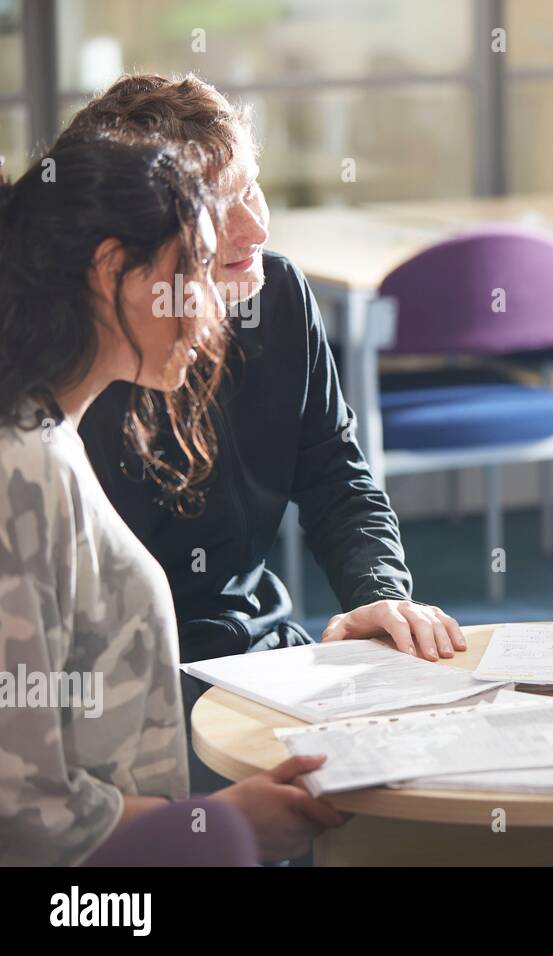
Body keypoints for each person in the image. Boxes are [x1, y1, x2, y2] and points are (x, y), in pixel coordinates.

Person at [0, 136, 344, 865]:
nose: (213, 314)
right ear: (112, 271)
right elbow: (20, 811)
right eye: (192, 274)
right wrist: (217, 826)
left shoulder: (48, 436)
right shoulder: (21, 471)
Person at [66, 74, 466, 669]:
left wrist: (378, 593)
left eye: (251, 188)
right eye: (218, 207)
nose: (254, 228)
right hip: (127, 668)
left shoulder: (276, 294)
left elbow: (335, 474)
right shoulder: (71, 368)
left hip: (259, 642)